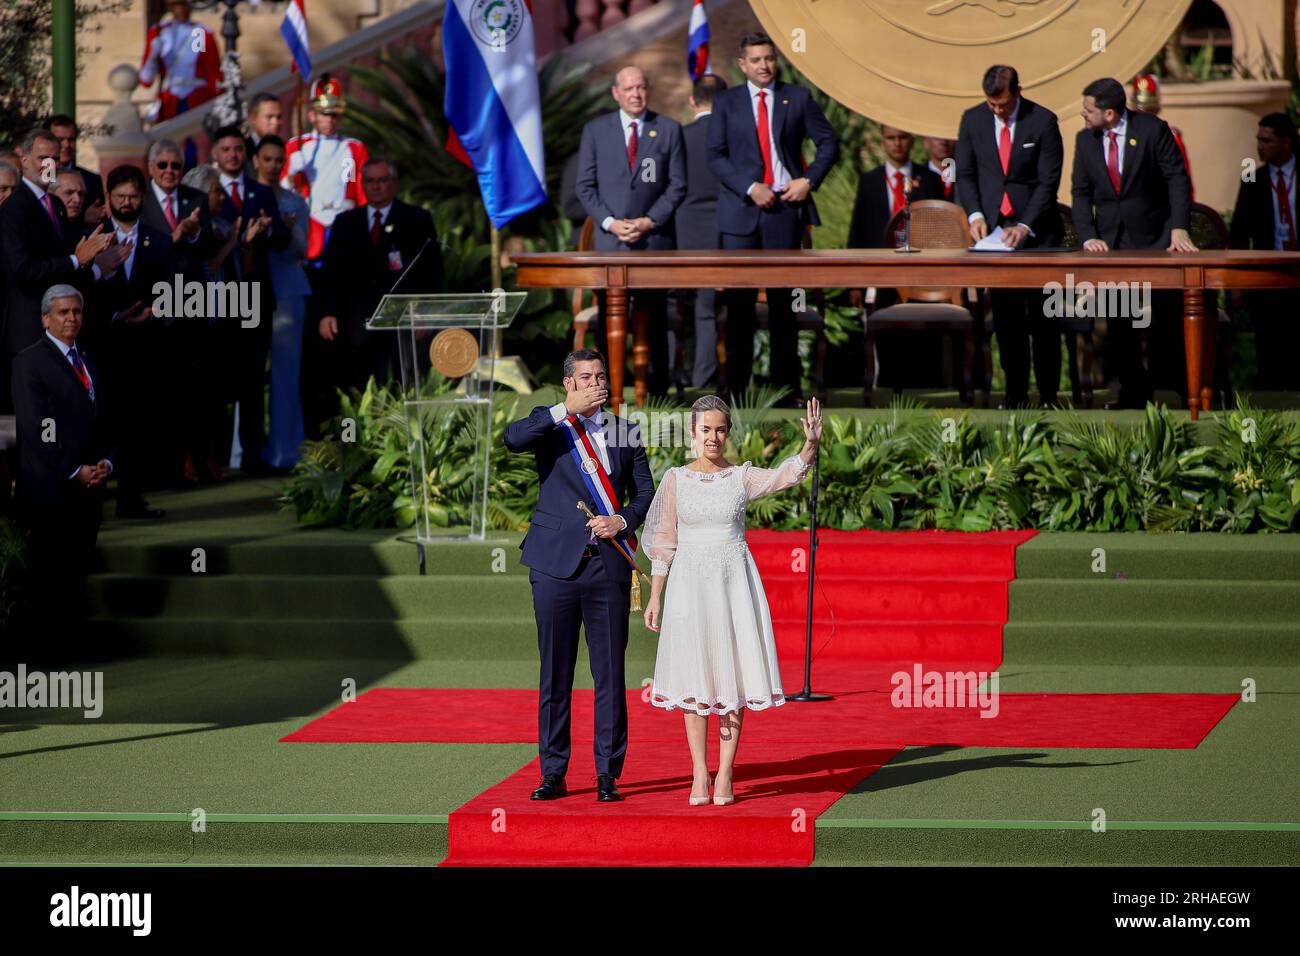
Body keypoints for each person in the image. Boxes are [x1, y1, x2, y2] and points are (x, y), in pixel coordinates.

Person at [642, 394, 821, 805]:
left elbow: (786, 475)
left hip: (733, 585)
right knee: (694, 677)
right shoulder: (675, 479)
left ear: (728, 433)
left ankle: (724, 774)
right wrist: (655, 598)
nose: (713, 437)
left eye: (720, 430)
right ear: (692, 432)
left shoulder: (740, 477)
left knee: (731, 676)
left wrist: (809, 445)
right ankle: (698, 775)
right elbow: (664, 542)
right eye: (705, 429)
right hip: (688, 588)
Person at [503, 349, 655, 803]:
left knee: (609, 673)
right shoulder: (550, 424)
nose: (596, 383)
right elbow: (512, 439)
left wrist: (622, 522)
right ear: (568, 383)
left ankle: (608, 774)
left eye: (601, 376)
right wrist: (562, 412)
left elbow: (645, 492)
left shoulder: (625, 431)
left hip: (607, 566)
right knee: (555, 673)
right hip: (554, 566)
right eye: (586, 377)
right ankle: (553, 772)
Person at [706, 32, 839, 405]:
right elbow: (715, 156)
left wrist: (808, 181)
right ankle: (733, 393)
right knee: (739, 306)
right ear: (742, 64)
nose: (765, 65)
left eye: (770, 58)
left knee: (785, 305)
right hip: (742, 213)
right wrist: (750, 187)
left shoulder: (796, 97)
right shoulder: (726, 102)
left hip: (786, 211)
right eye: (757, 60)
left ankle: (787, 391)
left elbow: (829, 143)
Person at [1072, 76, 1196, 409]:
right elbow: (1081, 194)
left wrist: (1179, 229)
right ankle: (1132, 392)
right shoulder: (1085, 141)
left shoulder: (1153, 130)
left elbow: (1177, 180)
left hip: (1156, 237)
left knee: (1164, 318)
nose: (1082, 114)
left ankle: (1174, 387)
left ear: (1110, 113)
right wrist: (1088, 237)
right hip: (1111, 242)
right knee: (1119, 319)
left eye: (1087, 109)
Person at [956, 64, 1064, 408]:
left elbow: (1049, 182)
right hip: (995, 240)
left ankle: (1047, 395)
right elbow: (967, 174)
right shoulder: (972, 120)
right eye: (992, 105)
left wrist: (1025, 225)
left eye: (1003, 104)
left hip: (1039, 236)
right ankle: (1015, 394)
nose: (998, 110)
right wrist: (974, 215)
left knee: (1045, 320)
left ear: (1018, 91)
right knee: (1007, 320)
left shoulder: (1043, 121)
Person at [575, 65, 685, 398]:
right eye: (629, 88)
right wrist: (610, 222)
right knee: (612, 316)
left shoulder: (667, 129)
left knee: (654, 317)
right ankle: (604, 390)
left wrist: (648, 221)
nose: (636, 94)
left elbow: (678, 185)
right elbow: (585, 185)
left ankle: (657, 389)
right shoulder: (596, 131)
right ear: (616, 93)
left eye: (641, 87)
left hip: (654, 240)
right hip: (611, 243)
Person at [0, 129, 124, 412]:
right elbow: (24, 270)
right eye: (43, 158)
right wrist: (75, 260)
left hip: (63, 333)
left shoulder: (54, 205)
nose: (49, 166)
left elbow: (70, 267)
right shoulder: (13, 209)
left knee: (62, 417)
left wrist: (98, 267)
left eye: (55, 159)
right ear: (25, 159)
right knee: (37, 421)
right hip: (28, 333)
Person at [10, 285, 113, 623]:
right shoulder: (30, 362)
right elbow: (40, 426)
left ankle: (73, 644)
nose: (71, 318)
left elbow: (104, 417)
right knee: (51, 575)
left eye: (76, 312)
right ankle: (49, 655)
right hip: (51, 490)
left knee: (78, 571)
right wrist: (72, 469)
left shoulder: (90, 357)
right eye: (63, 312)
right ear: (45, 319)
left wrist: (104, 463)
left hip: (90, 487)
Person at [89, 164, 174, 519]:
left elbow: (171, 291)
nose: (127, 203)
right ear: (108, 198)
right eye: (120, 197)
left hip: (143, 348)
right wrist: (114, 315)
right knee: (99, 424)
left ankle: (131, 498)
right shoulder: (91, 237)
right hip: (101, 346)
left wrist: (154, 311)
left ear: (143, 198)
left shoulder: (160, 239)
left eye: (133, 196)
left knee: (137, 425)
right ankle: (92, 501)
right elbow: (83, 290)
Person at [316, 158, 440, 397]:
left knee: (404, 386)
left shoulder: (417, 219)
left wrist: (426, 312)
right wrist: (328, 312)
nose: (376, 186)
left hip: (403, 321)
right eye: (370, 181)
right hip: (357, 323)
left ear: (394, 183)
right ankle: (362, 432)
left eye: (382, 180)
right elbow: (332, 271)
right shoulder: (345, 222)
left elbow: (431, 272)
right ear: (362, 184)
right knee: (360, 388)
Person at [211, 123, 291, 474]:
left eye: (238, 150)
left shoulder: (261, 192)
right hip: (218, 299)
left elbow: (279, 242)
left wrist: (271, 229)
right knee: (217, 379)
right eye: (226, 149)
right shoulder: (205, 193)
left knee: (253, 380)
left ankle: (253, 457)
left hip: (257, 298)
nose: (232, 155)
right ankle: (210, 457)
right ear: (215, 153)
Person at [847, 125, 947, 388]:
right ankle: (890, 387)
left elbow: (943, 230)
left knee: (925, 331)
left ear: (912, 140)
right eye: (891, 138)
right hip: (881, 273)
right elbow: (857, 231)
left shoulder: (930, 179)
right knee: (886, 329)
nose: (897, 144)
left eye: (902, 137)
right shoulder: (869, 181)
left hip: (923, 273)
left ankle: (929, 386)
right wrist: (855, 283)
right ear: (883, 142)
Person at [178, 163, 246, 482]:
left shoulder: (222, 223)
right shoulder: (195, 228)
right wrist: (231, 243)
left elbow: (237, 270)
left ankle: (212, 457)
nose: (221, 195)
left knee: (217, 394)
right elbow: (205, 267)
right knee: (193, 394)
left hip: (224, 315)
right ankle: (189, 458)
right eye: (216, 190)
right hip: (195, 316)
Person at [1229, 112, 1300, 391]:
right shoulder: (1252, 179)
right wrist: (1236, 282)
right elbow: (1238, 232)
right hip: (1268, 269)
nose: (1259, 147)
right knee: (1269, 334)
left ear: (1285, 143)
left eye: (1266, 140)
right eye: (1258, 140)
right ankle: (1271, 388)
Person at [252, 134, 311, 469]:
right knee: (246, 376)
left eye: (279, 160)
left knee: (287, 375)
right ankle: (243, 452)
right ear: (256, 160)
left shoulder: (294, 202)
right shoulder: (246, 195)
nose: (273, 165)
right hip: (248, 293)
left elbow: (302, 251)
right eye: (267, 159)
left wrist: (288, 231)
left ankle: (286, 451)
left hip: (288, 291)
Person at [673, 73, 727, 391]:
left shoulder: (677, 137)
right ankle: (702, 380)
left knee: (674, 308)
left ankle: (671, 375)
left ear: (692, 101)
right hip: (721, 238)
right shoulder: (733, 141)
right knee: (707, 312)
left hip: (680, 235)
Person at [282, 77, 369, 262]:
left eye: (334, 114)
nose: (329, 119)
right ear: (312, 115)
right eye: (324, 113)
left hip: (343, 224)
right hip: (309, 225)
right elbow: (283, 190)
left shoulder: (353, 148)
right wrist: (291, 173)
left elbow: (357, 188)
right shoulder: (297, 145)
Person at [138, 0, 220, 123]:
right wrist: (153, 55)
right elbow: (145, 80)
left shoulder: (201, 33)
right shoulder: (158, 32)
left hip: (197, 99)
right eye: (176, 5)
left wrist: (217, 102)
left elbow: (213, 72)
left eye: (184, 4)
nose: (181, 9)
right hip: (169, 101)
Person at [1132, 74, 1193, 200]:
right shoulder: (1121, 137)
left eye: (1149, 110)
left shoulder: (1171, 137)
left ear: (1157, 109)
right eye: (1139, 110)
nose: (1143, 115)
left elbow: (1182, 182)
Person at [46, 114, 105, 222]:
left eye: (71, 139)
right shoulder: (36, 178)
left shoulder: (92, 181)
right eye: (60, 139)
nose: (66, 144)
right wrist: (83, 218)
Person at [244, 92, 284, 176]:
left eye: (278, 117)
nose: (275, 122)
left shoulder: (285, 149)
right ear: (253, 118)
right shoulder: (243, 151)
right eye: (269, 117)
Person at [924, 135, 959, 204]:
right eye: (937, 137)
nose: (944, 142)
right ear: (926, 141)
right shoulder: (916, 176)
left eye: (949, 136)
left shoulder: (967, 175)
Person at [50, 170, 87, 236]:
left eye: (80, 194)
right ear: (50, 194)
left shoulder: (80, 233)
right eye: (69, 193)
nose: (77, 200)